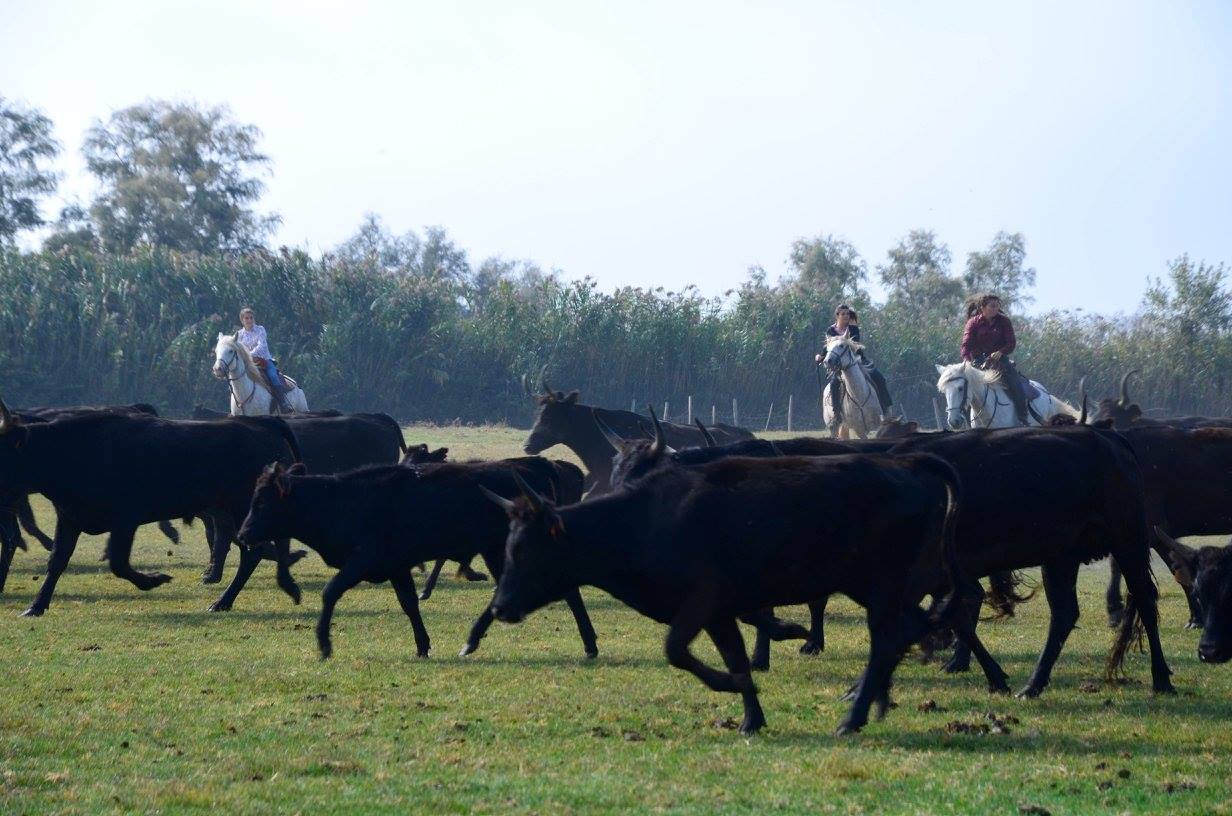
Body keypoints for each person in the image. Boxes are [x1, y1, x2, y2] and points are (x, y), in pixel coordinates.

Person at [815, 304, 895, 425]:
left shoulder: (853, 329)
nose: (846, 316)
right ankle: (837, 415)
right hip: (838, 366)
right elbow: (827, 349)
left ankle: (887, 411)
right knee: (834, 384)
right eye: (843, 314)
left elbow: (855, 346)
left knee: (879, 377)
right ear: (837, 316)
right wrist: (820, 356)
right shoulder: (830, 331)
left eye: (847, 313)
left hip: (857, 360)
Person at [960, 293, 1030, 425]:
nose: (995, 309)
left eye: (997, 306)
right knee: (965, 390)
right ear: (982, 307)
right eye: (992, 306)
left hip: (1000, 362)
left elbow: (1011, 343)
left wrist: (1001, 352)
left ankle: (1022, 419)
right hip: (977, 363)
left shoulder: (1004, 321)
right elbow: (965, 346)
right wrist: (966, 362)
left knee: (1016, 385)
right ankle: (966, 423)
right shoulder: (973, 323)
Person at [237, 307, 292, 413]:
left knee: (273, 376)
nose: (249, 320)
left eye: (251, 318)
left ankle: (283, 403)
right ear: (242, 320)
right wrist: (247, 358)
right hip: (248, 363)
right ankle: (237, 405)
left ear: (254, 319)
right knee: (238, 378)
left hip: (264, 361)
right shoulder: (239, 335)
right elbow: (239, 350)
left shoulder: (260, 329)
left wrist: (248, 355)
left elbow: (261, 346)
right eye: (246, 318)